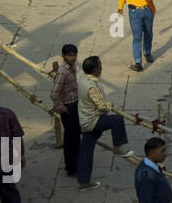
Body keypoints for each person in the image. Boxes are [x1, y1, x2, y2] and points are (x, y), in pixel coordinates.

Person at [76, 56, 133, 191]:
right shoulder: (91, 87)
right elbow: (102, 106)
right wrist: (110, 105)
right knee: (117, 120)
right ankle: (118, 147)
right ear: (95, 69)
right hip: (92, 120)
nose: (102, 67)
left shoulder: (83, 79)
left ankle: (84, 182)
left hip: (85, 119)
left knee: (86, 150)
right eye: (100, 65)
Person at [48, 44, 81, 177]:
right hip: (68, 107)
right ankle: (71, 167)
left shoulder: (72, 68)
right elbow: (54, 93)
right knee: (71, 138)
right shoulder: (62, 72)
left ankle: (74, 164)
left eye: (74, 55)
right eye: (69, 55)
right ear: (63, 56)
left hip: (74, 104)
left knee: (74, 136)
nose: (72, 58)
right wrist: (62, 108)